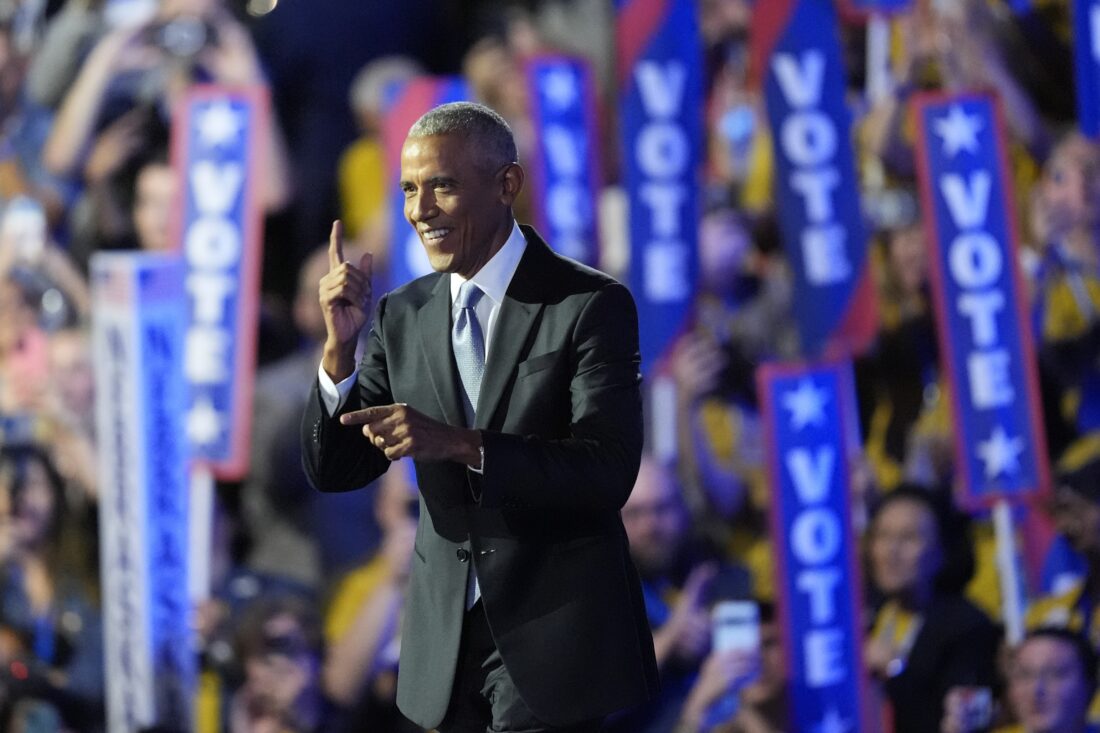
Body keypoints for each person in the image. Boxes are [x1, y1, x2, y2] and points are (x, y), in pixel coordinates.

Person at [300, 101, 657, 732]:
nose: (419, 210)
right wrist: (338, 351)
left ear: (507, 185)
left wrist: (462, 444)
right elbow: (336, 467)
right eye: (409, 189)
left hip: (555, 639)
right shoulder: (400, 314)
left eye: (443, 185)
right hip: (443, 646)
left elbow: (606, 471)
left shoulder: (587, 304)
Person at [864, 486, 1000, 733]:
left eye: (908, 538)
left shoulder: (968, 627)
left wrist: (895, 669)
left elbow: (953, 721)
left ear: (940, 551)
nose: (891, 551)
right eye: (882, 536)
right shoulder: (867, 619)